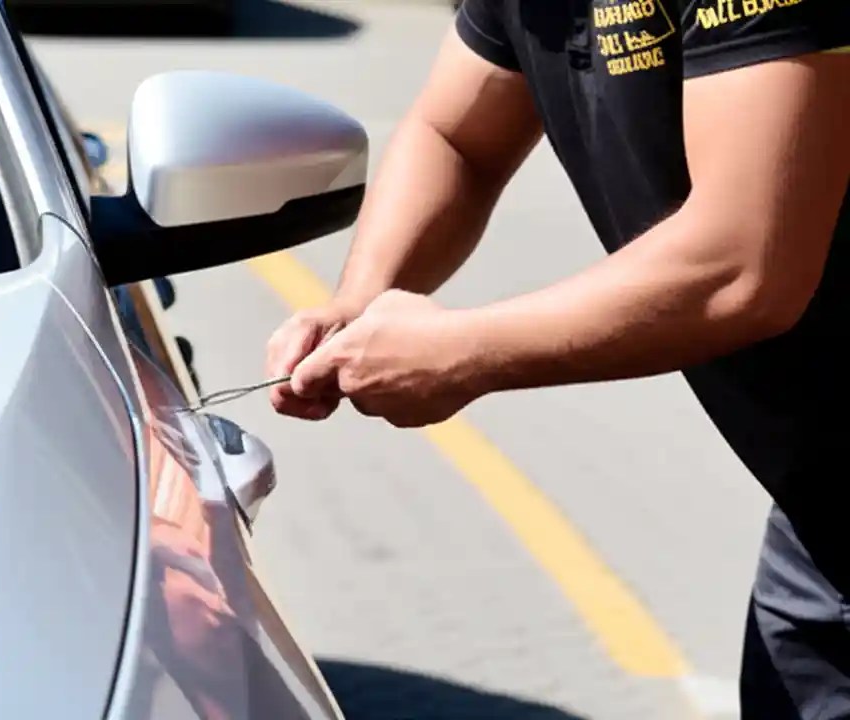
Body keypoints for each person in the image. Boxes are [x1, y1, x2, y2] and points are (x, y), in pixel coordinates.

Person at [264, 2, 849, 717]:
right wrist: (360, 304)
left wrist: (464, 354)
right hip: (818, 503)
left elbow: (743, 267)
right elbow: (457, 138)